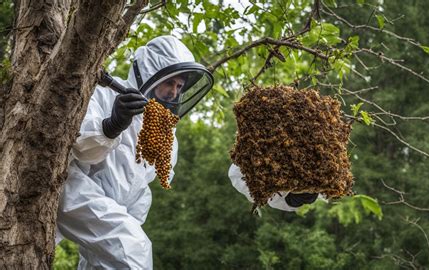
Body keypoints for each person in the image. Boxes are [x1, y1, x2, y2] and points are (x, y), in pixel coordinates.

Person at [55, 35, 318, 269]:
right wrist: (111, 126)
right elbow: (79, 150)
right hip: (74, 190)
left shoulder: (164, 132)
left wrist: (289, 197)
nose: (173, 91)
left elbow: (238, 173)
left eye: (180, 86)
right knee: (132, 250)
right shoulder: (104, 95)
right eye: (169, 82)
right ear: (148, 74)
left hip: (118, 206)